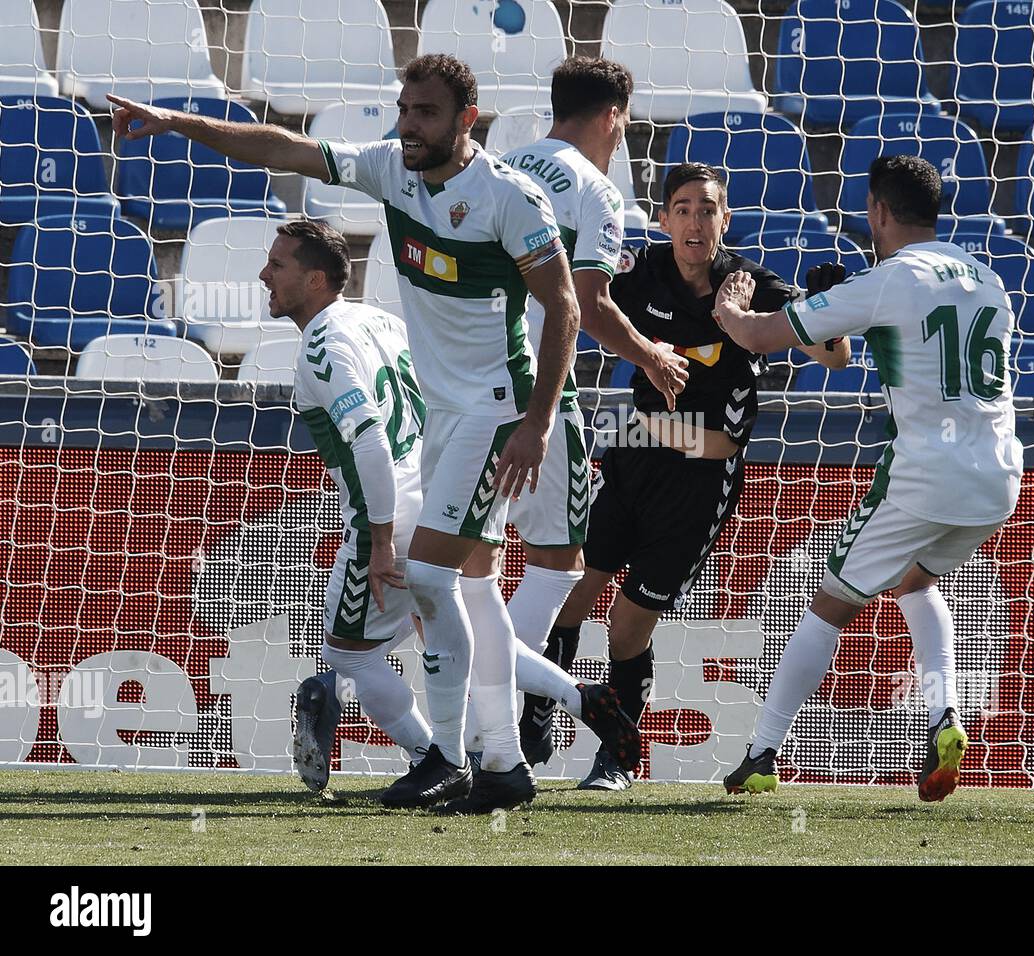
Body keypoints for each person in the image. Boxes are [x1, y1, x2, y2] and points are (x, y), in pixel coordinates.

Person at [109, 54, 581, 814]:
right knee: (470, 587)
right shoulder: (390, 169)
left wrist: (538, 419)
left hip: (498, 409)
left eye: (425, 113)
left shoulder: (507, 197)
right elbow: (278, 148)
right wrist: (176, 123)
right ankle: (502, 760)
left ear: (467, 120)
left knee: (430, 580)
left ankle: (457, 762)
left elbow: (565, 308)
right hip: (440, 415)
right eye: (404, 109)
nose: (408, 125)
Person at [713, 155, 1024, 803]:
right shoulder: (987, 278)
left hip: (922, 473)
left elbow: (762, 337)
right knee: (917, 582)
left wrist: (730, 308)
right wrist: (836, 307)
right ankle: (945, 716)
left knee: (829, 605)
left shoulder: (888, 280)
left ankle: (763, 752)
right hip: (997, 472)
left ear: (877, 210)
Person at [542, 162, 852, 790]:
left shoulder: (748, 286)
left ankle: (617, 758)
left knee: (627, 623)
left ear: (724, 221)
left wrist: (827, 311)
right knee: (565, 596)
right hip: (630, 465)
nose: (694, 221)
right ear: (663, 220)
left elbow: (833, 357)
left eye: (707, 209)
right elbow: (577, 303)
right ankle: (538, 710)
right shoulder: (640, 271)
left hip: (696, 487)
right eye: (682, 208)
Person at [464, 56, 687, 770]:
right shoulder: (597, 193)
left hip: (455, 388)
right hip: (532, 394)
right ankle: (511, 710)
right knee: (560, 560)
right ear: (613, 118)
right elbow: (587, 307)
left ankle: (466, 730)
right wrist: (652, 354)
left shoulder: (493, 165)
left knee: (469, 569)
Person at [259, 219, 433, 794]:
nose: (264, 274)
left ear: (313, 280)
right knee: (457, 634)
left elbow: (370, 441)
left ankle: (434, 758)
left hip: (388, 516)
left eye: (277, 265)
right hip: (440, 502)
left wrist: (380, 539)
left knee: (347, 652)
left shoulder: (321, 345)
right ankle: (511, 741)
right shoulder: (382, 318)